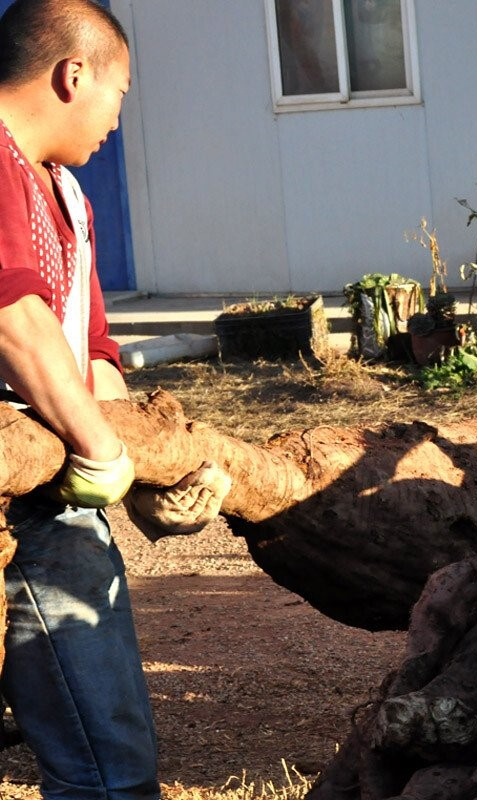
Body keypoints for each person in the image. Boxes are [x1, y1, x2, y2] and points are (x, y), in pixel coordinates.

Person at [0, 2, 228, 797]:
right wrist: (99, 451)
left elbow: (91, 353)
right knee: (107, 767)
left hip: (49, 490)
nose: (117, 122)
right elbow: (12, 315)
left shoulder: (70, 198)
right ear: (75, 74)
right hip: (20, 499)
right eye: (121, 95)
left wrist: (145, 468)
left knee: (106, 752)